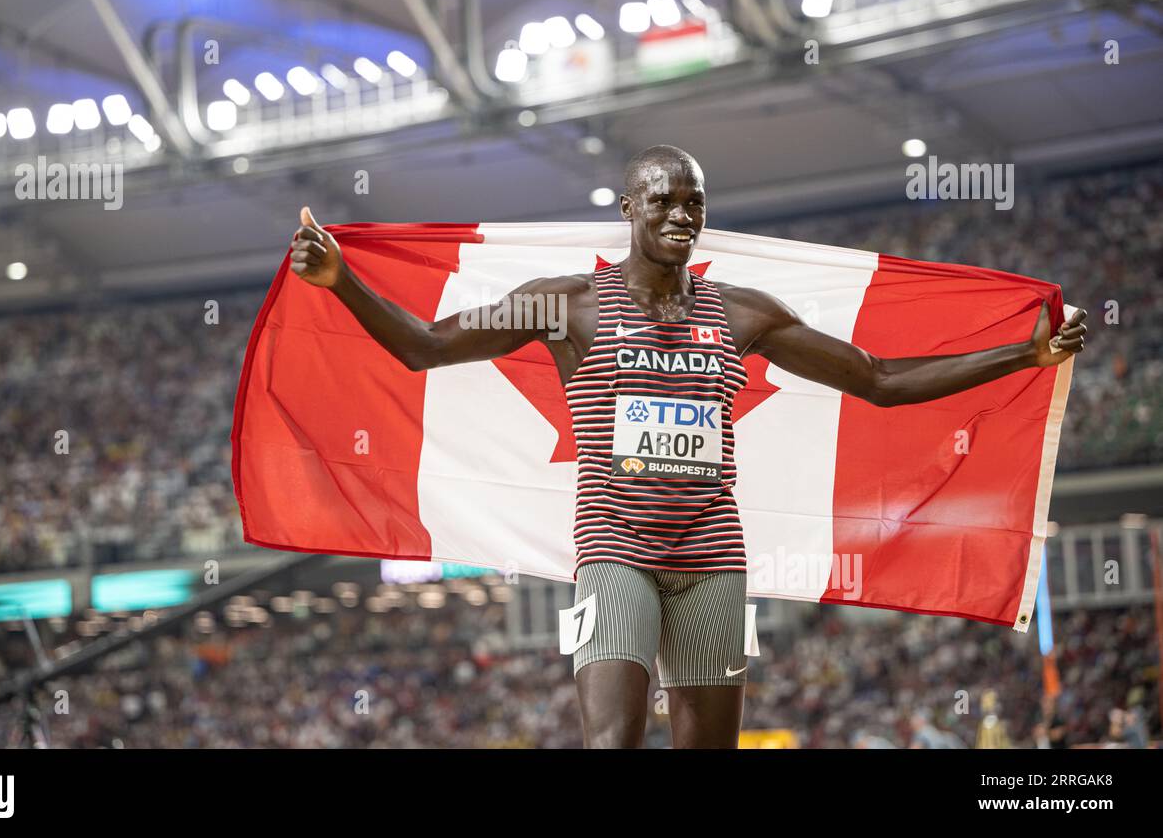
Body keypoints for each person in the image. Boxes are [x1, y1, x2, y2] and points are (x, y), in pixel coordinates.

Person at [288, 144, 1087, 748]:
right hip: (613, 550)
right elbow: (428, 344)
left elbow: (877, 379)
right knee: (614, 740)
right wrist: (341, 281)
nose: (681, 216)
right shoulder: (565, 307)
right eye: (664, 201)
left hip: (711, 555)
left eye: (694, 204)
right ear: (629, 207)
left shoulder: (743, 315)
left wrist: (1025, 355)